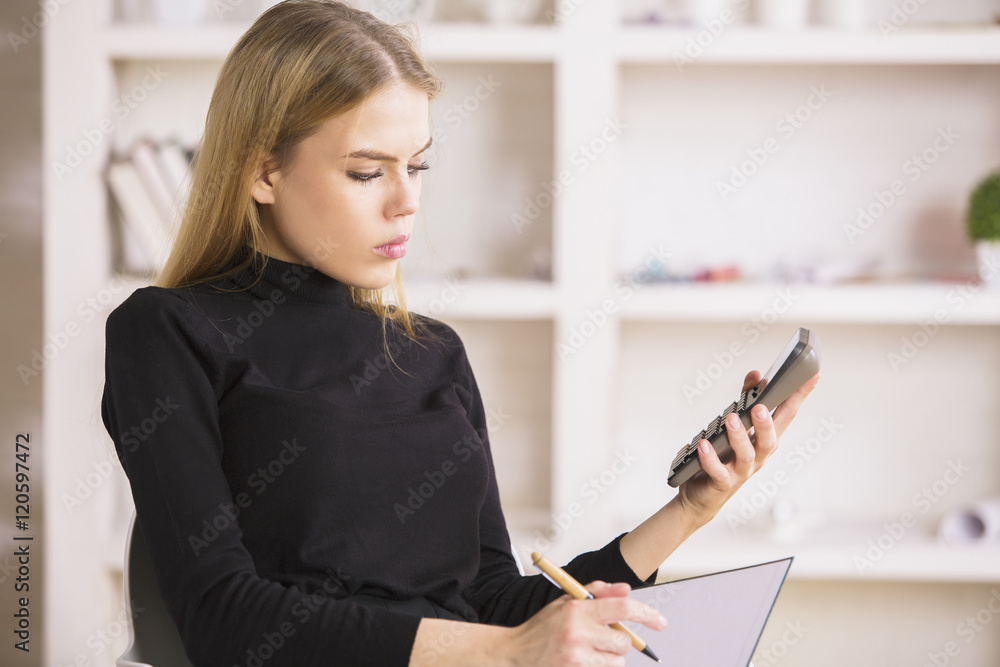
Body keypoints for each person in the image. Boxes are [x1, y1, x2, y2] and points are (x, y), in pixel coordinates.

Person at [100, 2, 820, 666]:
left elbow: (496, 607)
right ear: (263, 170)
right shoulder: (165, 332)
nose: (406, 201)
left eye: (417, 166)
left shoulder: (432, 351)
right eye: (364, 172)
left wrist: (691, 505)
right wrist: (502, 652)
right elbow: (223, 616)